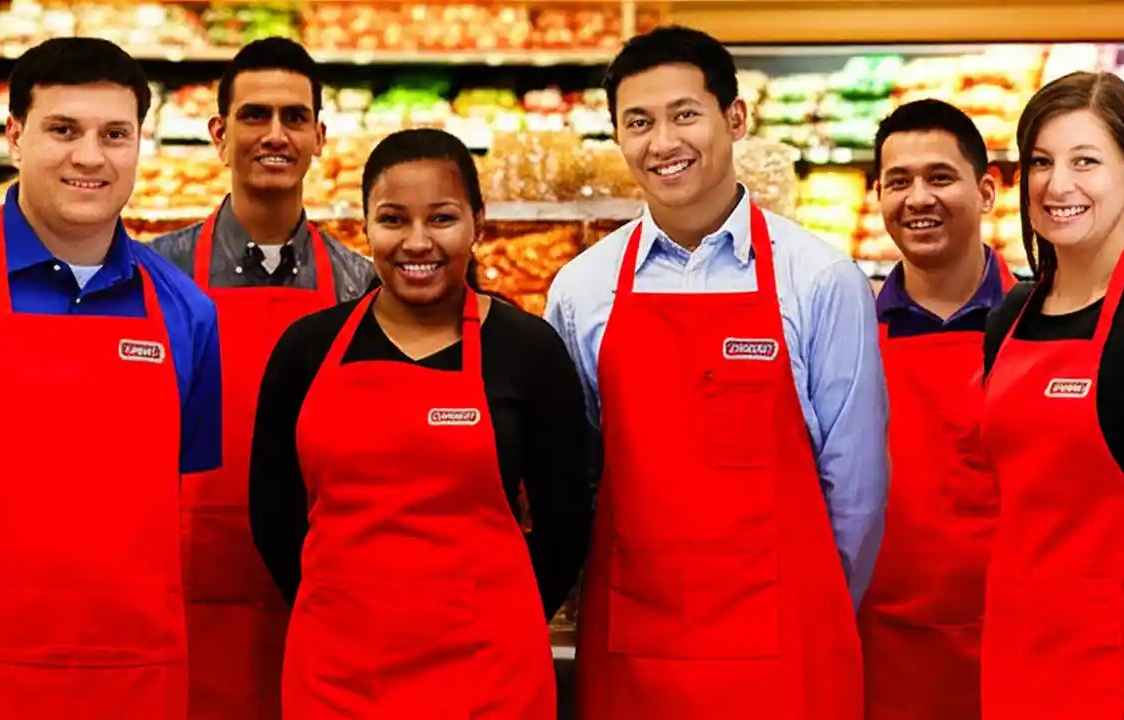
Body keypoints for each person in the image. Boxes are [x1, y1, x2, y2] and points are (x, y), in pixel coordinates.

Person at [543, 25, 888, 720]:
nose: (663, 142)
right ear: (617, 138)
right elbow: (574, 475)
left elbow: (856, 491)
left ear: (735, 118)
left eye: (684, 114)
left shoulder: (820, 280)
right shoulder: (582, 291)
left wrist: (814, 610)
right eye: (638, 123)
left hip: (789, 656)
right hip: (636, 652)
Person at [249, 128, 592, 718]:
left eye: (441, 219)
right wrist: (334, 612)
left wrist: (502, 618)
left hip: (489, 675)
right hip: (336, 676)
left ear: (478, 224)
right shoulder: (306, 350)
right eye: (392, 219)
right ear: (365, 227)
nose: (416, 242)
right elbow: (272, 513)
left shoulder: (527, 350)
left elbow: (567, 520)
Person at [0, 38, 222, 719]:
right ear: (14, 137)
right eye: (63, 130)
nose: (90, 156)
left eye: (114, 134)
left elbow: (176, 491)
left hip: (133, 678)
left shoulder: (187, 313)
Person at [148, 37, 374, 720]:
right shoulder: (157, 278)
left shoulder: (363, 286)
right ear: (219, 134)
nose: (275, 135)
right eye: (254, 116)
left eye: (294, 118)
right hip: (180, 601)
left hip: (324, 597)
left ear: (318, 138)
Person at [982, 71, 1124, 718]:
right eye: (1042, 162)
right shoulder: (1011, 317)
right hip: (1023, 648)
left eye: (1087, 161)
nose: (1058, 185)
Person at [857, 99, 1014, 720]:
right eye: (899, 181)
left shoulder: (1041, 327)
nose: (917, 197)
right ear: (878, 196)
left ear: (986, 191)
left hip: (1018, 642)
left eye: (940, 177)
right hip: (882, 654)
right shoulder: (847, 332)